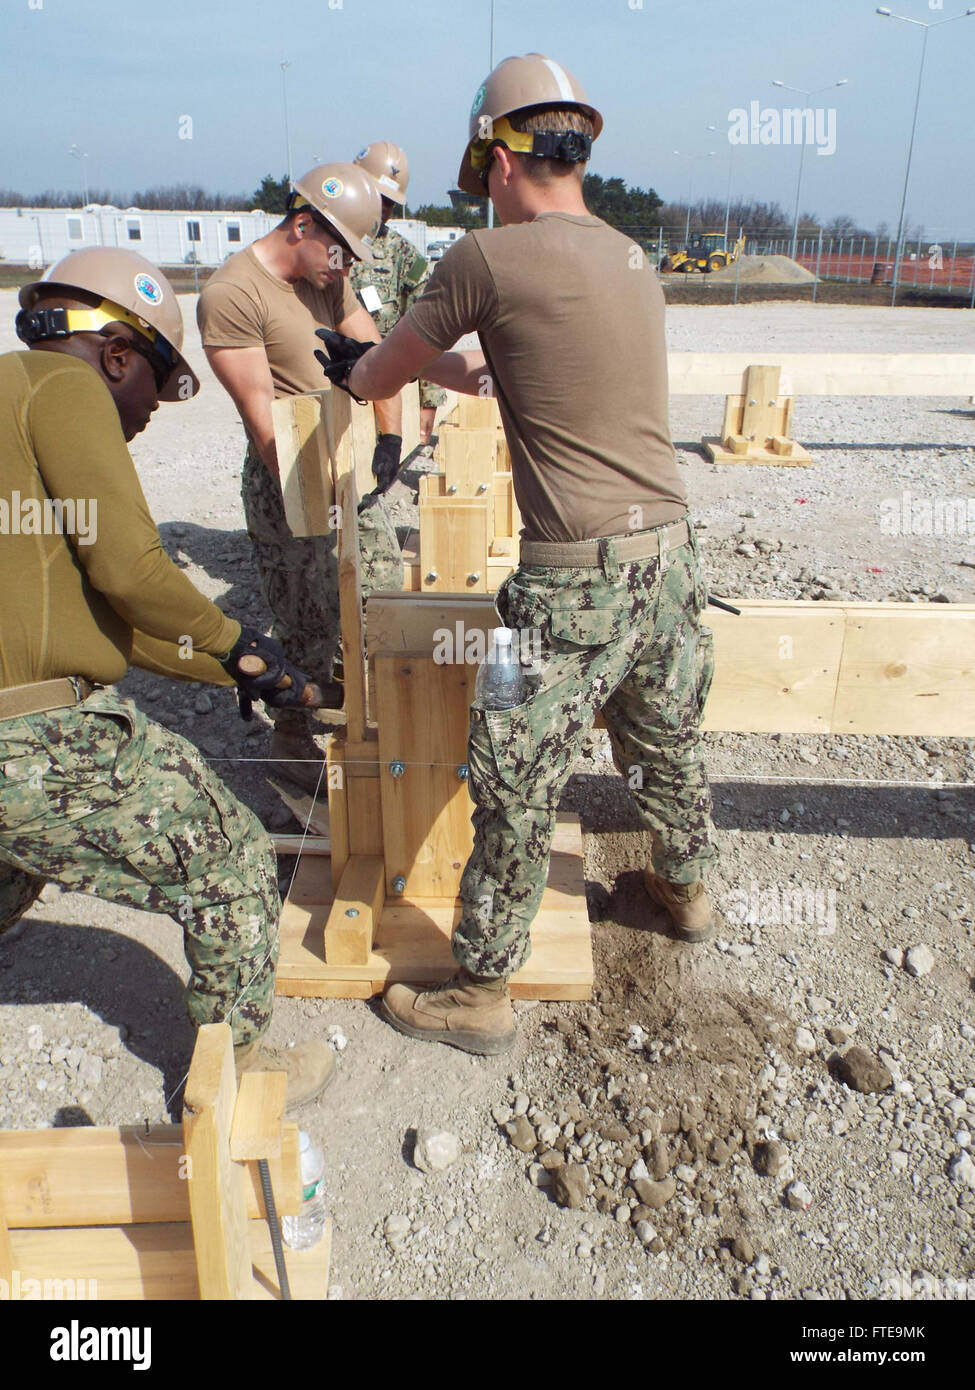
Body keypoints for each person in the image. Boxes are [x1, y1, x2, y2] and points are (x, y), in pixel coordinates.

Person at [316, 54, 717, 1057]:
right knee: (663, 736)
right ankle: (687, 887)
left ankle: (481, 990)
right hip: (668, 558)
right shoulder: (630, 259)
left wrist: (350, 365)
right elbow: (520, 364)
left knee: (507, 771)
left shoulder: (484, 261)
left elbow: (379, 378)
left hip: (562, 585)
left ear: (499, 159)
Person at [0, 247, 333, 1107]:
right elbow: (132, 572)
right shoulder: (64, 389)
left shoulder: (8, 400)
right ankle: (238, 1078)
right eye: (156, 380)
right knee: (229, 859)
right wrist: (239, 644)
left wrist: (237, 673)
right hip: (25, 739)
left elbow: (92, 618)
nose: (152, 410)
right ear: (115, 353)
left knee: (22, 852)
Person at [197, 162, 405, 793]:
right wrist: (313, 503)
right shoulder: (234, 294)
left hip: (343, 465)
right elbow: (265, 428)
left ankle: (365, 720)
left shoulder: (329, 277)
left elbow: (378, 354)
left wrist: (391, 433)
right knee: (310, 618)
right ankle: (292, 739)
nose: (344, 269)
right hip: (288, 481)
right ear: (303, 223)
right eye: (339, 251)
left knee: (383, 590)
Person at [350, 141, 447, 446]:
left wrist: (428, 401)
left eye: (390, 202)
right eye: (377, 196)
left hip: (382, 398)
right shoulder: (318, 241)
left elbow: (428, 329)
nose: (383, 208)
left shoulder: (403, 255)